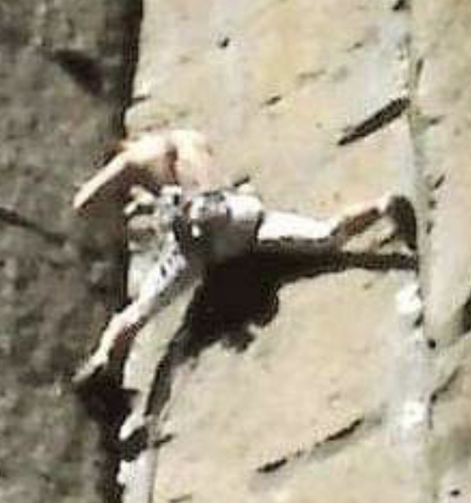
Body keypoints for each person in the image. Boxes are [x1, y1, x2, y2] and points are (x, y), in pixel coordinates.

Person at [71, 132, 406, 386]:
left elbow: (82, 203)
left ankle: (104, 364)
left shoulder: (130, 162)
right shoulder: (193, 137)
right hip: (238, 212)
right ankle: (381, 206)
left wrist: (122, 231)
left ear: (124, 145)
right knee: (324, 235)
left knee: (140, 311)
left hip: (200, 233)